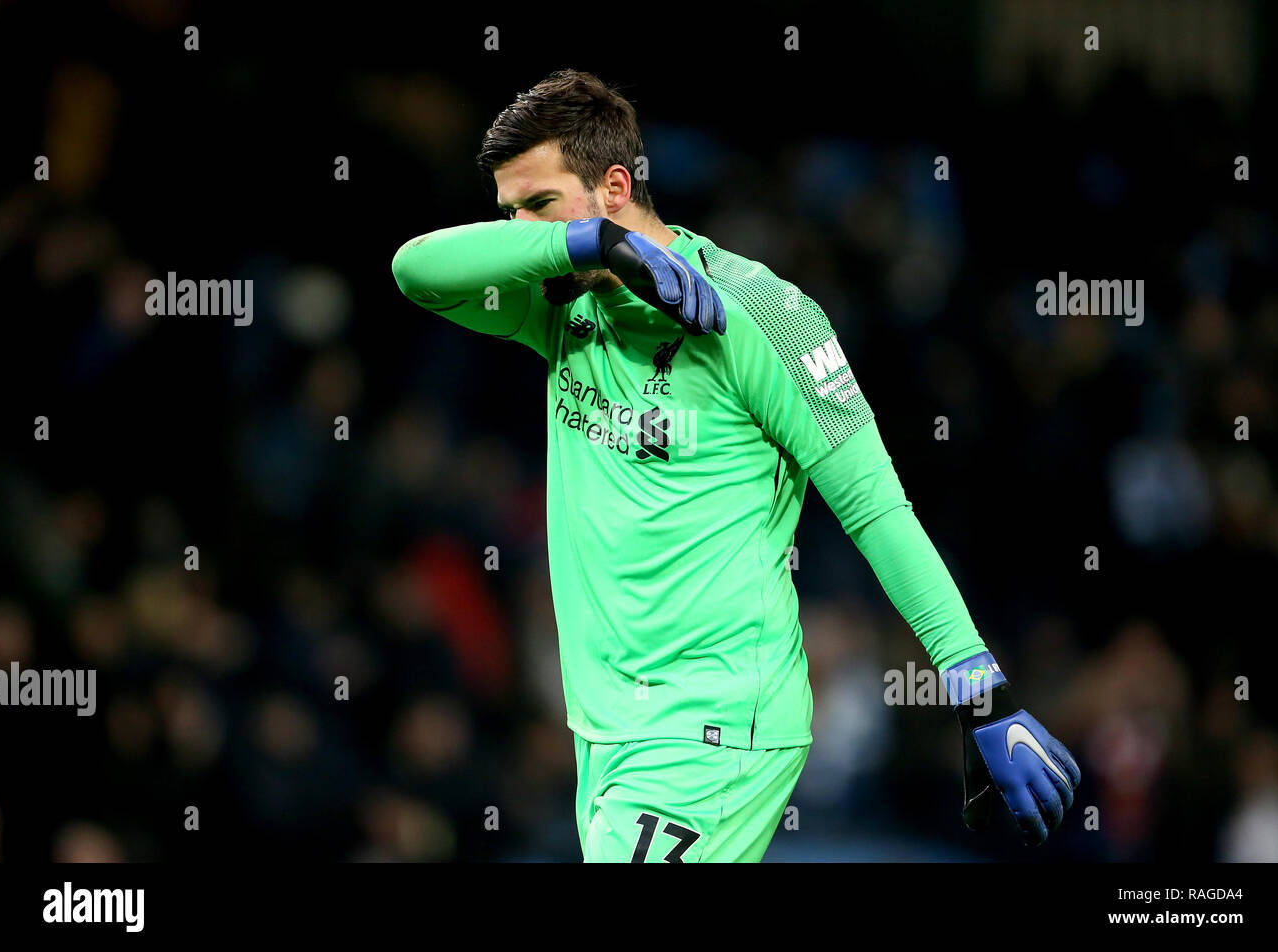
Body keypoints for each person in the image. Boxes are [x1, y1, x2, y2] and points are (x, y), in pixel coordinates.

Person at [391, 69, 1079, 862]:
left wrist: (980, 693)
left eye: (539, 207)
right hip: (607, 731)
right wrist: (586, 240)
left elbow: (878, 510)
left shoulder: (764, 316)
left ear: (615, 185)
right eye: (507, 216)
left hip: (713, 727)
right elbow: (413, 269)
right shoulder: (559, 303)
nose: (519, 236)